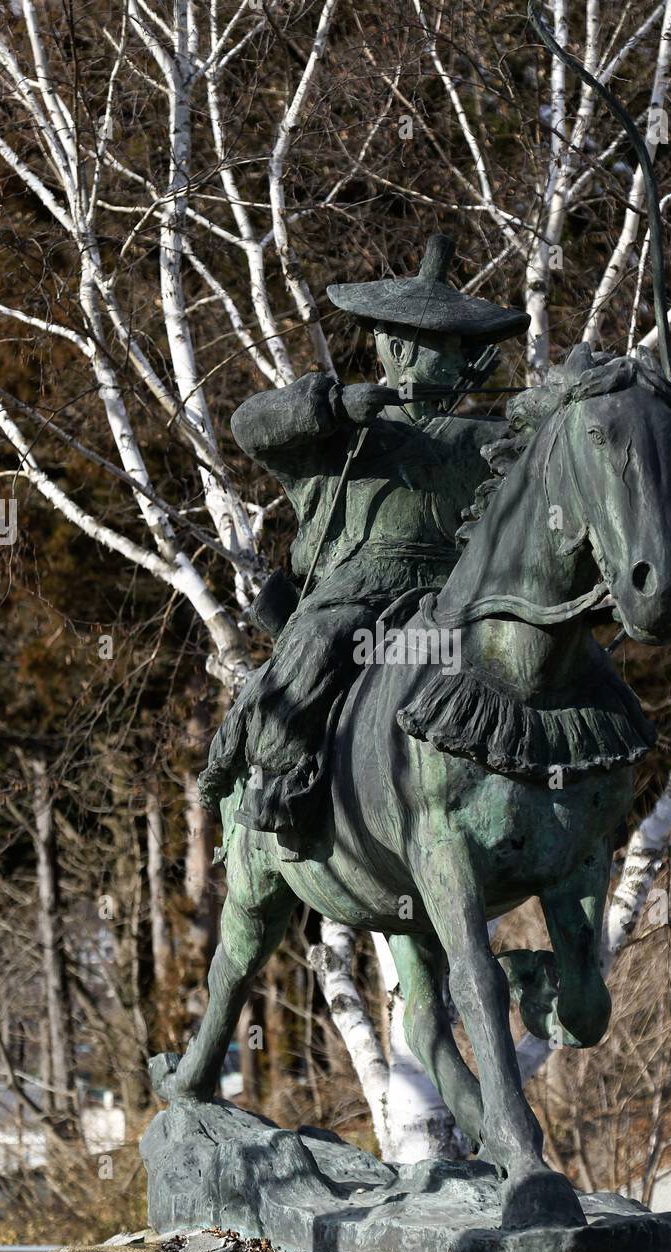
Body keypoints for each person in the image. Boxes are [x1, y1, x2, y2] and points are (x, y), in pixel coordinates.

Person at [198, 234, 529, 857]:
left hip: (462, 596)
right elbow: (249, 426)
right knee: (319, 647)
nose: (461, 363)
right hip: (361, 593)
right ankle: (281, 785)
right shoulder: (340, 435)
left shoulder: (486, 438)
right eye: (447, 347)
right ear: (400, 348)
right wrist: (331, 406)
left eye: (464, 349)